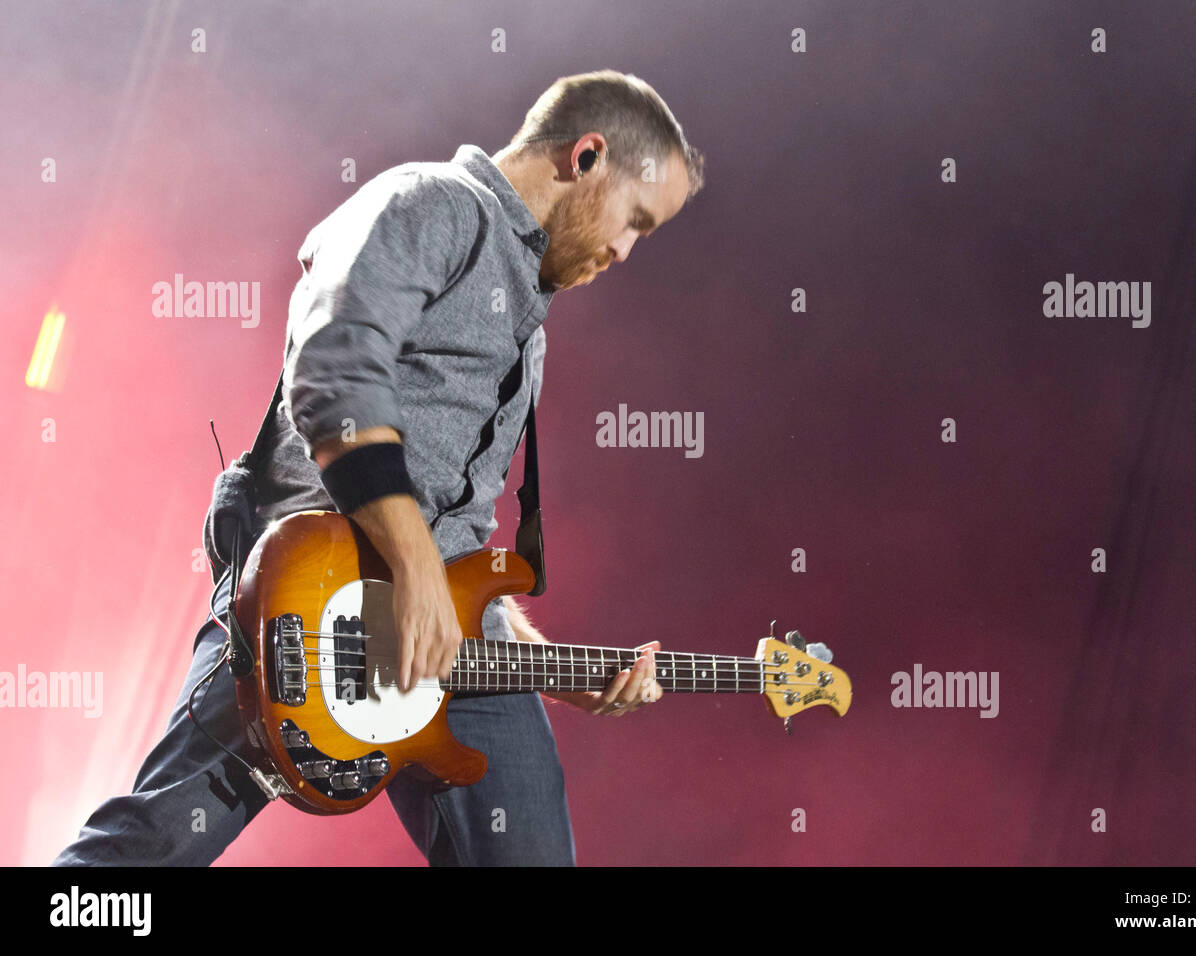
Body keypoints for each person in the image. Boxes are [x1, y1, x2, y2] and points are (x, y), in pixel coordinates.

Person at [51, 68, 705, 866]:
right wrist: (417, 568)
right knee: (134, 863)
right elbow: (333, 371)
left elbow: (460, 540)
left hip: (444, 644)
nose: (625, 250)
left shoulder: (529, 330)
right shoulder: (429, 205)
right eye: (635, 218)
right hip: (306, 609)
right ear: (587, 157)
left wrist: (542, 665)